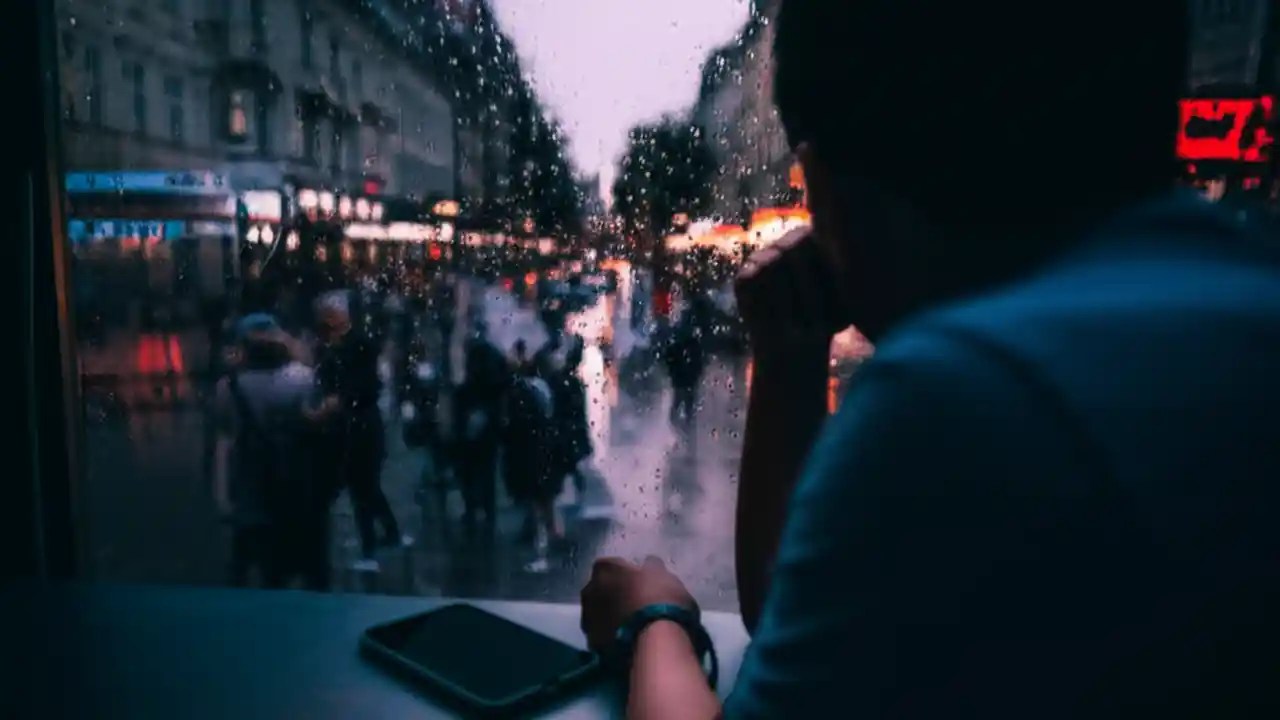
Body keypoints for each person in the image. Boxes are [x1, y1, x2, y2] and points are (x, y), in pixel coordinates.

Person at [580, 2, 1280, 718]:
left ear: (826, 184)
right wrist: (790, 363)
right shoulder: (1243, 297)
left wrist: (653, 620)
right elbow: (814, 625)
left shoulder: (958, 397)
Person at [212, 314, 329, 590]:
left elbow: (223, 444)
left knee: (264, 579)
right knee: (309, 580)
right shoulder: (304, 379)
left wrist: (222, 497)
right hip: (300, 497)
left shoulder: (229, 387)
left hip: (252, 500)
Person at [313, 291, 405, 572]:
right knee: (364, 485)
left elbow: (367, 384)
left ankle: (370, 546)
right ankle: (387, 533)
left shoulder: (359, 345)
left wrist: (340, 400)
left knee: (361, 485)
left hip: (361, 424)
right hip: (349, 423)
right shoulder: (332, 345)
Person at [663, 315, 704, 429]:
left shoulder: (682, 344)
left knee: (680, 416)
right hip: (686, 383)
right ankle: (685, 438)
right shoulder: (693, 345)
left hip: (683, 383)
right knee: (687, 416)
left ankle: (684, 438)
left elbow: (668, 359)